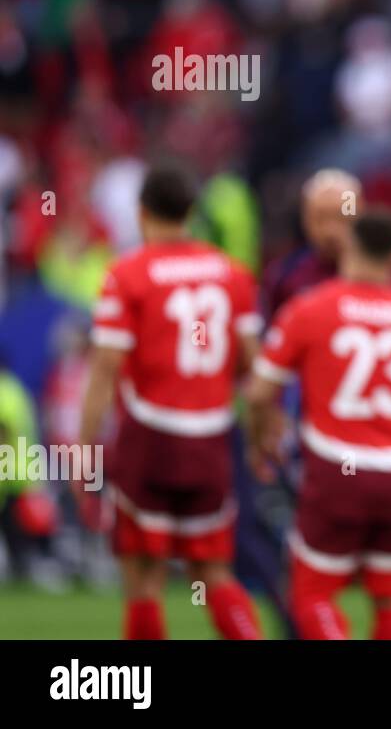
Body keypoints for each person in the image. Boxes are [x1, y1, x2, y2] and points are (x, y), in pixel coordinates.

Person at [250, 167, 391, 640]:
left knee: (344, 579)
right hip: (330, 450)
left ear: (360, 215)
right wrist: (272, 428)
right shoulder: (291, 276)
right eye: (319, 218)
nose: (330, 230)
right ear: (303, 220)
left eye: (339, 217)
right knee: (387, 581)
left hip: (384, 447)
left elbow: (261, 378)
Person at [81, 163, 264, 639]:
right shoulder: (233, 275)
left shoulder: (127, 274)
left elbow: (105, 369)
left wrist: (83, 448)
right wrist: (262, 435)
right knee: (214, 572)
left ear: (141, 213)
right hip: (211, 437)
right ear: (192, 212)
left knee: (143, 579)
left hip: (151, 436)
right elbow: (252, 367)